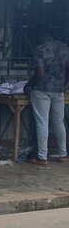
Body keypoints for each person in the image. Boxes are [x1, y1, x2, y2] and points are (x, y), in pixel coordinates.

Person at [25, 26, 69, 166]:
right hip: (59, 90)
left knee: (42, 122)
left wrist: (29, 85)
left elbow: (40, 74)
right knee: (59, 121)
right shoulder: (64, 48)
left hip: (42, 90)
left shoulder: (40, 49)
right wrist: (64, 84)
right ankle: (63, 154)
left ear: (39, 39)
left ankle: (42, 157)